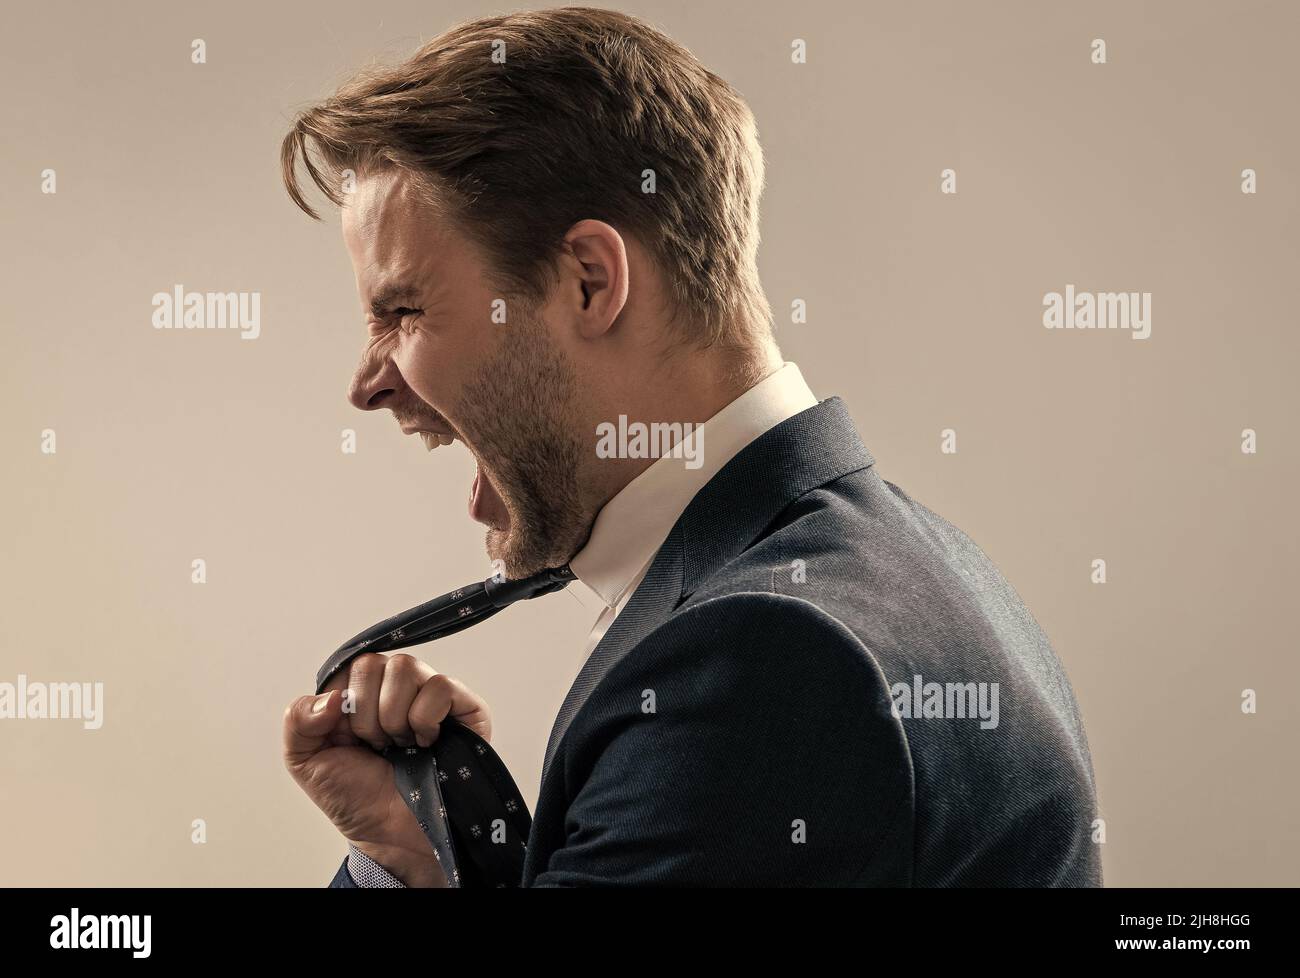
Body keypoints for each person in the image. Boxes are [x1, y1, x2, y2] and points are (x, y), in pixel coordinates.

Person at [279, 7, 1101, 887]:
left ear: (589, 282)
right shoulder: (915, 566)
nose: (368, 387)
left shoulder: (760, 661)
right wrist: (419, 856)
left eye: (402, 312)